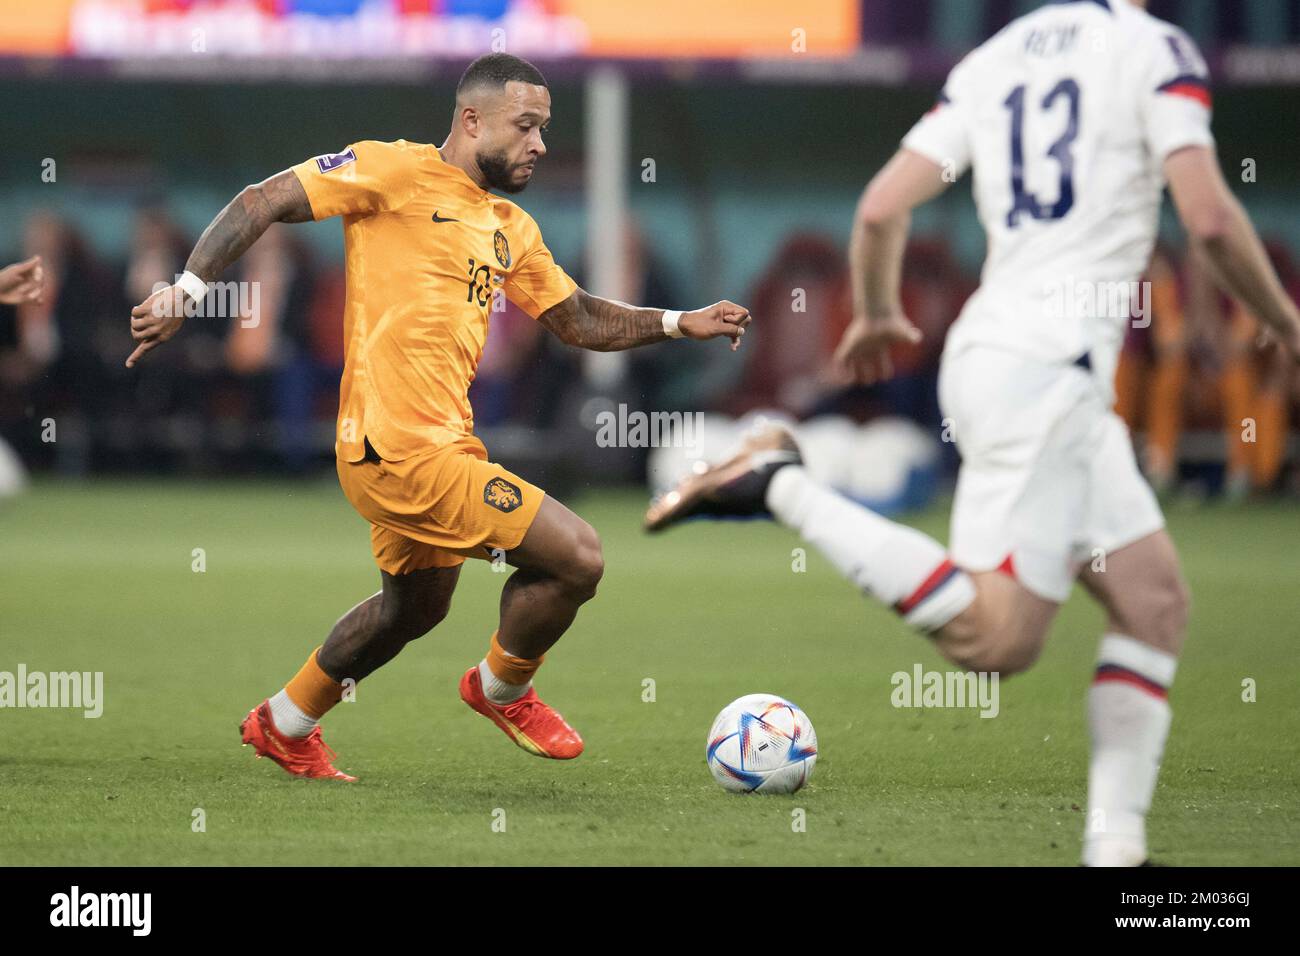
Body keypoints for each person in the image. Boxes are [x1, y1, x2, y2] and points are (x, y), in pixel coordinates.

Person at [646, 0, 1300, 866]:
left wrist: (877, 313)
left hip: (1007, 357)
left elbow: (881, 207)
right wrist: (1286, 326)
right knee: (999, 640)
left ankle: (1116, 850)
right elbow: (1211, 220)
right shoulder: (1155, 50)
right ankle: (781, 482)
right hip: (1048, 376)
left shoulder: (997, 57)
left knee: (1154, 602)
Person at [126, 53, 751, 780]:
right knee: (578, 557)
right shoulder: (391, 171)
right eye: (526, 126)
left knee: (415, 607)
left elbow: (577, 318)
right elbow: (262, 199)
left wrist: (682, 322)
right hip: (396, 449)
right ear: (471, 119)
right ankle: (501, 688)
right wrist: (187, 291)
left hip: (440, 443)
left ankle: (285, 720)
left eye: (544, 129)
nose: (540, 145)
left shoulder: (508, 225)